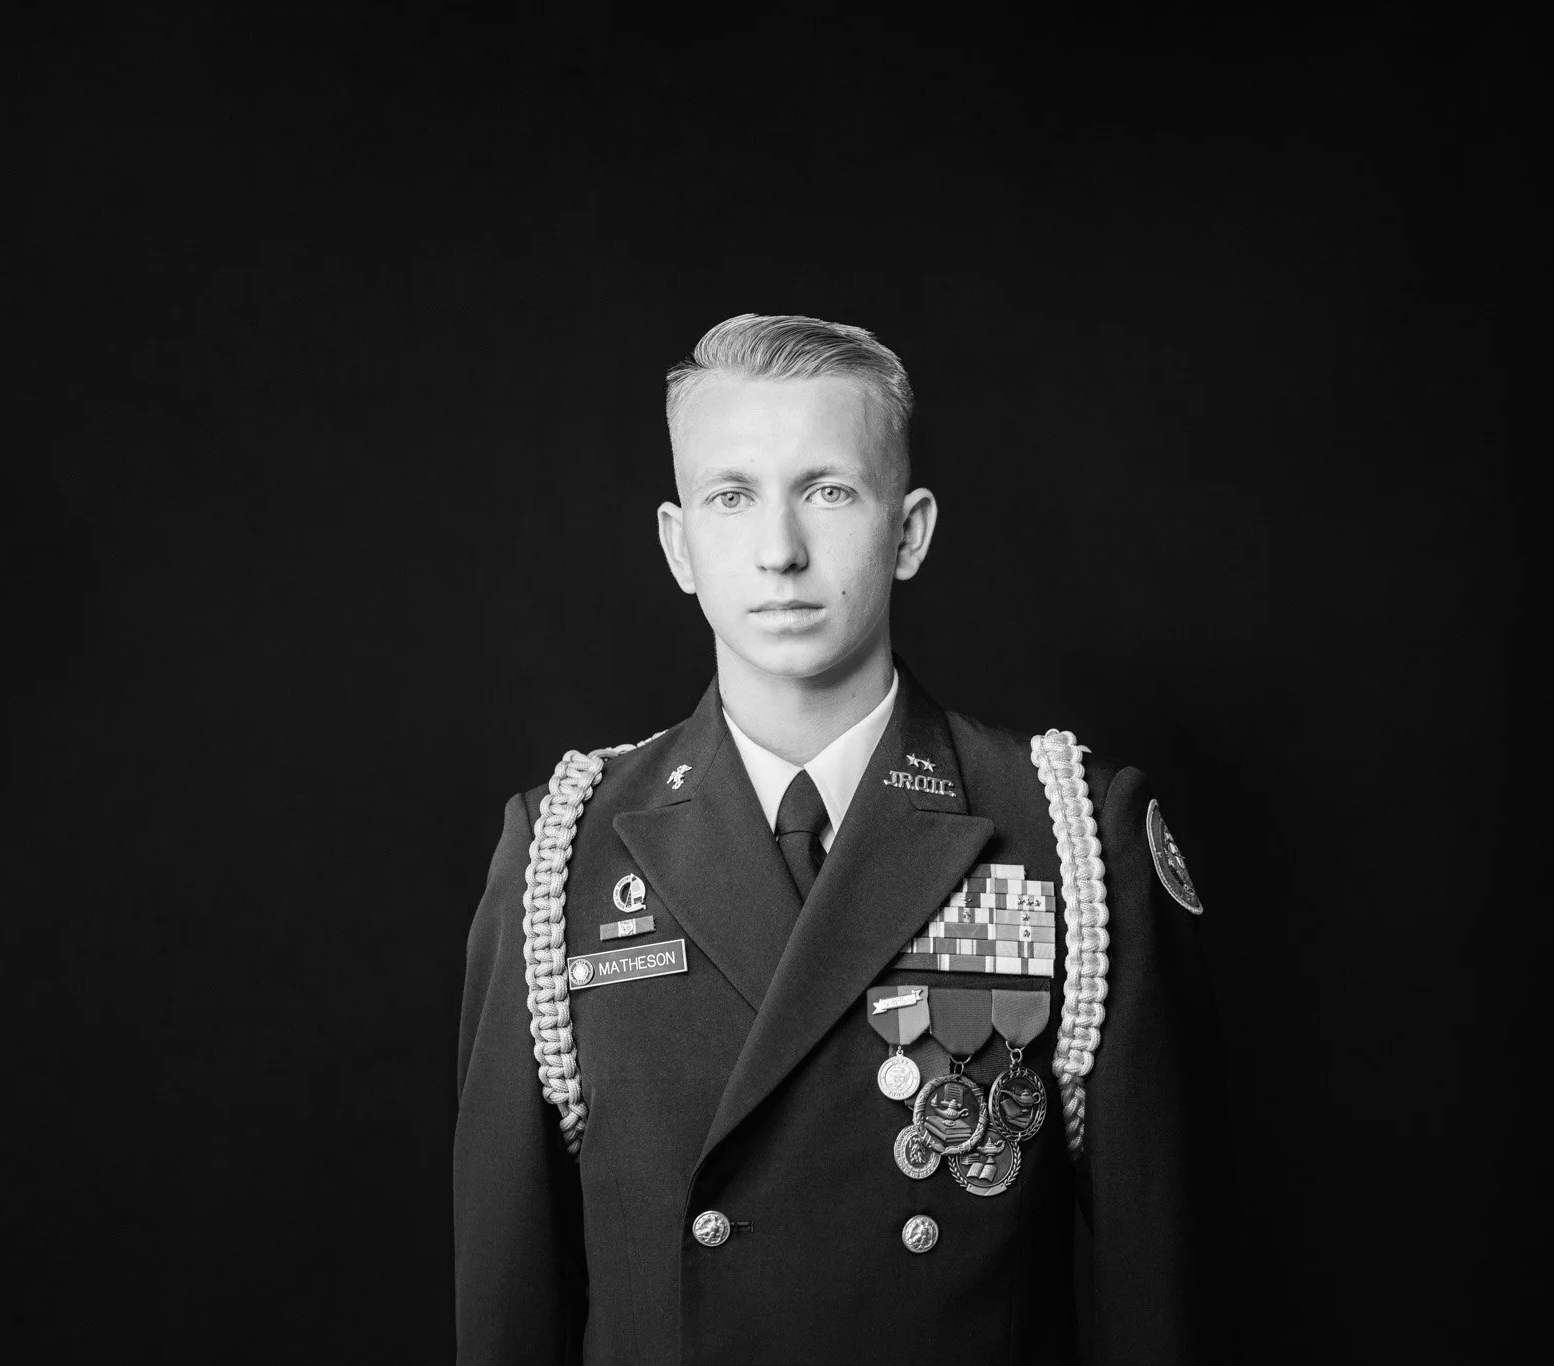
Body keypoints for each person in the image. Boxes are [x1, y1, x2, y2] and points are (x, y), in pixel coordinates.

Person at [454, 315, 1235, 1363]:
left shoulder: (1069, 837)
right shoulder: (565, 850)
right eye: (731, 497)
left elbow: (1161, 1305)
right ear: (679, 546)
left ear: (907, 531)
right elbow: (507, 1307)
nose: (779, 549)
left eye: (828, 491)